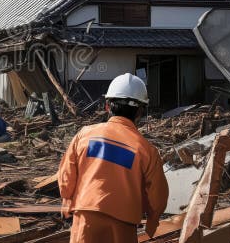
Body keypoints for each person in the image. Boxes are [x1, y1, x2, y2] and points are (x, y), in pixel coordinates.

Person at [57, 73, 168, 243]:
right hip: (123, 223)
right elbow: (158, 194)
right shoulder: (146, 150)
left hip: (86, 217)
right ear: (140, 111)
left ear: (107, 106)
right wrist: (153, 219)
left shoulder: (85, 135)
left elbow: (66, 175)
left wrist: (67, 198)